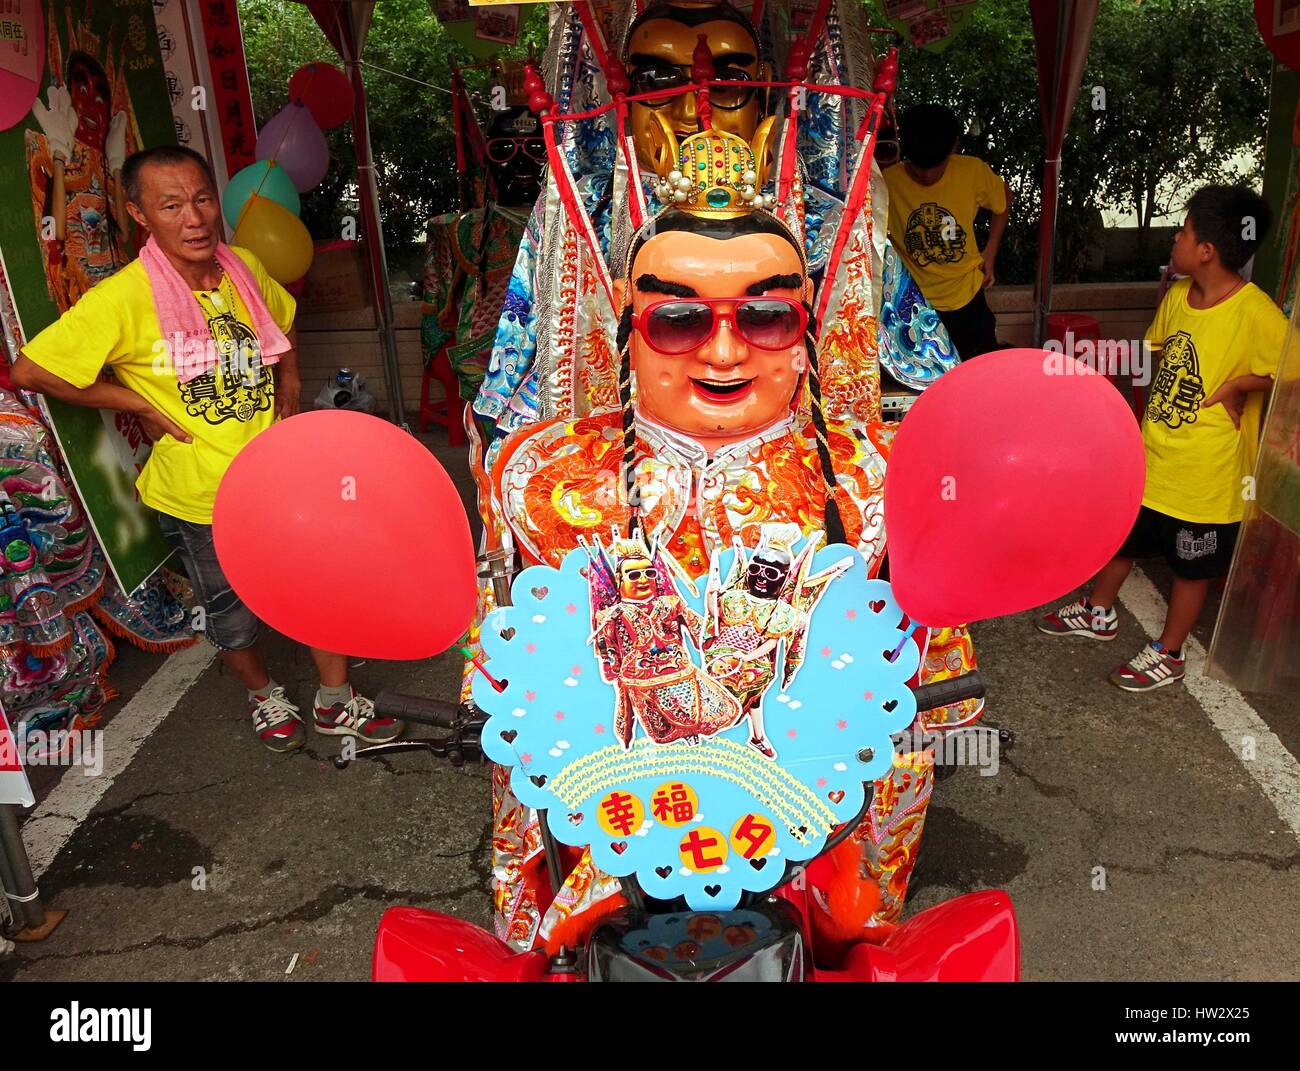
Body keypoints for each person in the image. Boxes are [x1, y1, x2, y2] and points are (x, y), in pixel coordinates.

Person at [486, 123, 981, 954]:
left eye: (765, 315)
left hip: (807, 840)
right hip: (616, 838)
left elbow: (921, 710)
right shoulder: (540, 478)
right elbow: (509, 706)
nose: (723, 350)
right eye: (679, 318)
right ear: (625, 316)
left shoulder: (876, 481)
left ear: (809, 320)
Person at [10, 145, 400, 751]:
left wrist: (290, 379)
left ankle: (333, 702)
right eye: (171, 205)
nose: (194, 219)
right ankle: (263, 696)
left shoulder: (242, 266)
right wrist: (139, 404)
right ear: (140, 214)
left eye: (201, 199)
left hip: (283, 476)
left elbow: (283, 319)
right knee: (233, 615)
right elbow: (32, 371)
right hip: (199, 495)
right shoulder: (123, 297)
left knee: (321, 586)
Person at [1038, 185, 1284, 691]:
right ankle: (1098, 611)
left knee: (1191, 568)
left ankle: (1168, 653)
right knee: (1122, 535)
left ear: (1207, 250)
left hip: (1207, 480)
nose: (1175, 238)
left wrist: (1243, 383)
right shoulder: (1176, 296)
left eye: (1184, 230)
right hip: (1153, 458)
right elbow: (1155, 357)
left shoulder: (1256, 313)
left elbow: (1293, 372)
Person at [883, 103, 1010, 360]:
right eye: (919, 166)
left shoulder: (972, 171)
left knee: (980, 370)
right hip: (913, 304)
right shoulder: (886, 182)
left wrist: (991, 251)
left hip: (967, 298)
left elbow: (1004, 199)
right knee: (923, 380)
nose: (927, 175)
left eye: (936, 166)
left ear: (954, 146)